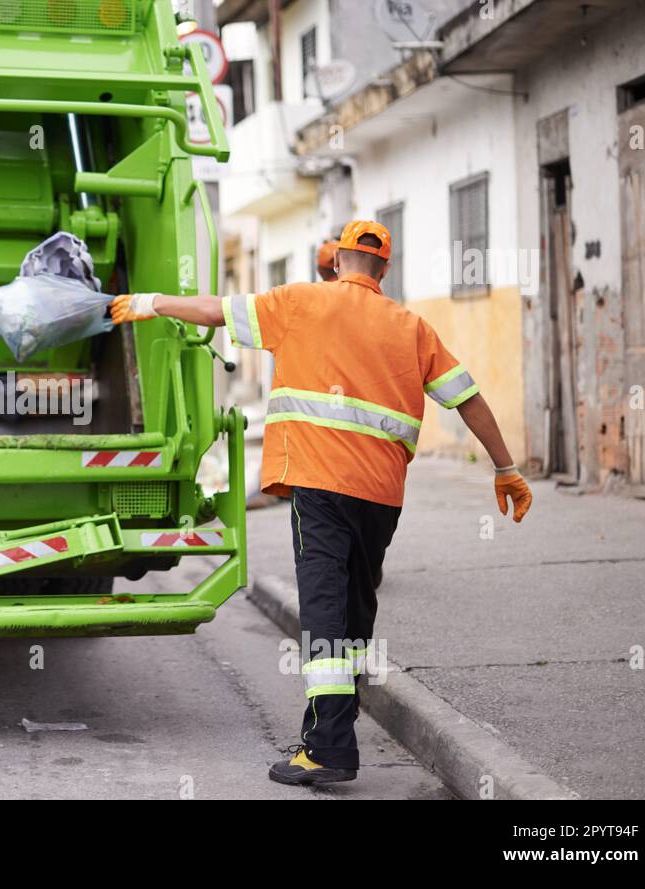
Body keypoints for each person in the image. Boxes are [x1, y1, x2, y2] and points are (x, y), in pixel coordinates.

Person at [110, 220, 533, 786]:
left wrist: (150, 301)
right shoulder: (412, 327)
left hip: (319, 484)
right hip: (381, 495)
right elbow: (468, 398)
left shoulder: (299, 302)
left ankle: (329, 748)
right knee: (355, 609)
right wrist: (505, 467)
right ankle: (334, 726)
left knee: (325, 612)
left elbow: (216, 312)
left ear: (336, 262)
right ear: (384, 269)